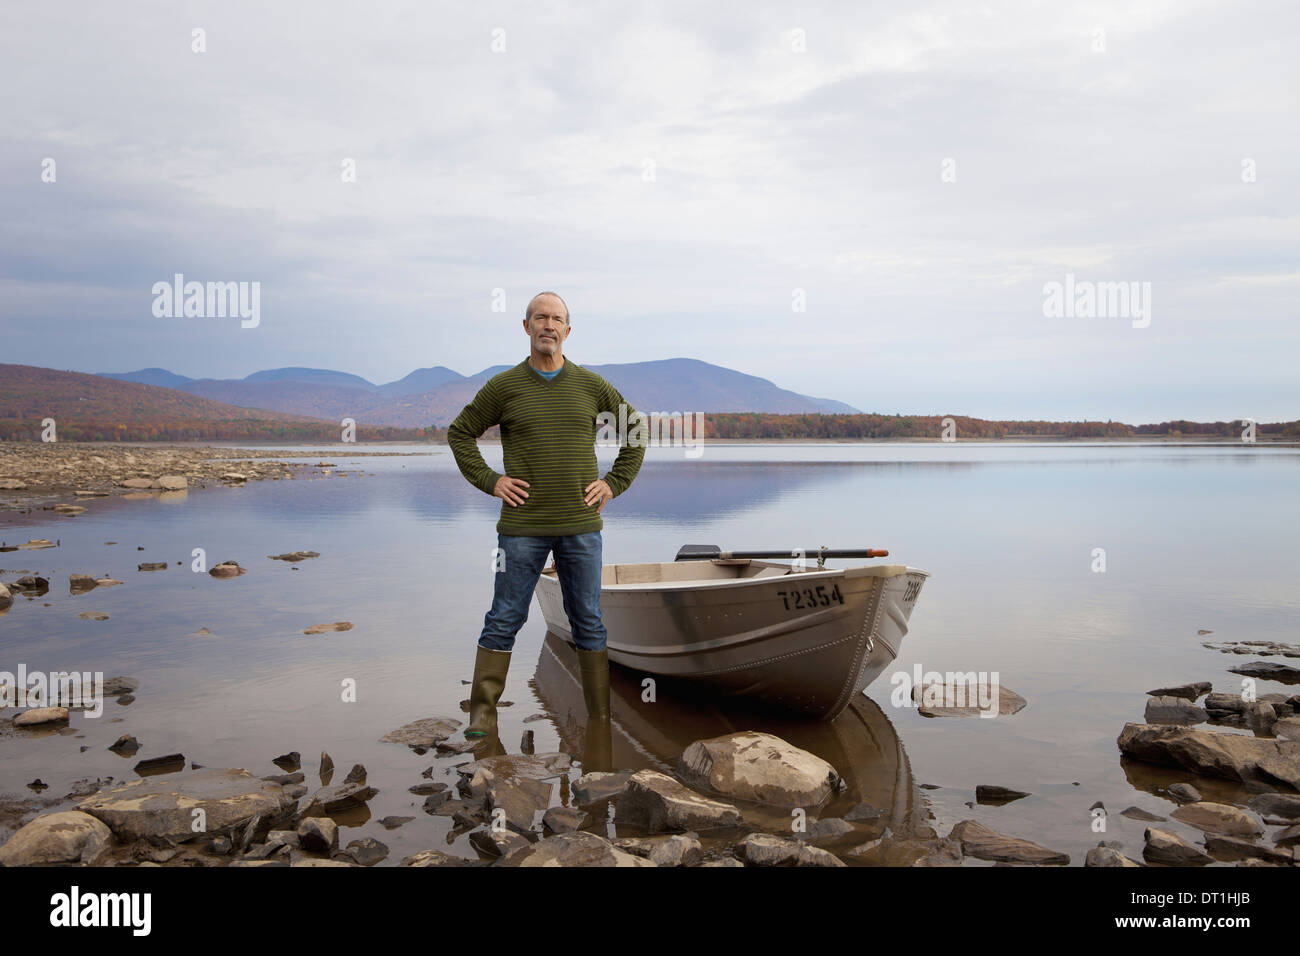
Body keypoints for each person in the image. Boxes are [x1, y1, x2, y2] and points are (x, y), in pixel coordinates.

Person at [446, 291, 646, 740]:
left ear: (568, 331)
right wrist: (491, 480)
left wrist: (614, 483)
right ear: (526, 327)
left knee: (588, 620)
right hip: (523, 527)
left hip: (582, 526)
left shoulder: (591, 386)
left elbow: (636, 430)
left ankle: (598, 717)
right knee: (505, 616)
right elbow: (460, 433)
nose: (548, 326)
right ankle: (482, 715)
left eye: (557, 319)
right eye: (540, 318)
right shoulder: (504, 387)